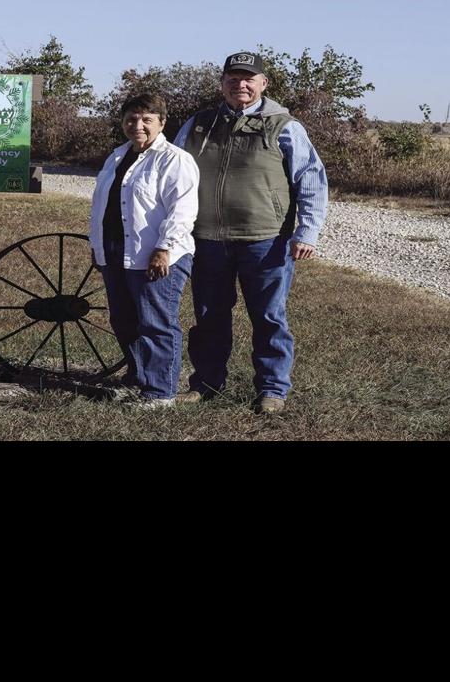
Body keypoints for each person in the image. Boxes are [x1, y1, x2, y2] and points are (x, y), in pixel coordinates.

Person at [172, 51, 328, 414]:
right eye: (232, 79)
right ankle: (206, 384)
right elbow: (173, 171)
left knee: (269, 317)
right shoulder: (199, 124)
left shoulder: (284, 125)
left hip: (266, 240)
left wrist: (306, 232)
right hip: (207, 239)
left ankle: (272, 390)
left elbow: (311, 180)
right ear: (222, 83)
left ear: (263, 84)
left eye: (248, 79)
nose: (240, 85)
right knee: (209, 316)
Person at [89, 92, 200, 407]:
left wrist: (164, 248)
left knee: (156, 322)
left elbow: (182, 211)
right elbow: (103, 205)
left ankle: (160, 392)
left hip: (156, 254)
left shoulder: (175, 160)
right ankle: (139, 377)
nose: (137, 125)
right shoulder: (117, 156)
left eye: (146, 119)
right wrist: (96, 244)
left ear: (161, 123)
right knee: (123, 320)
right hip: (116, 251)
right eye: (131, 118)